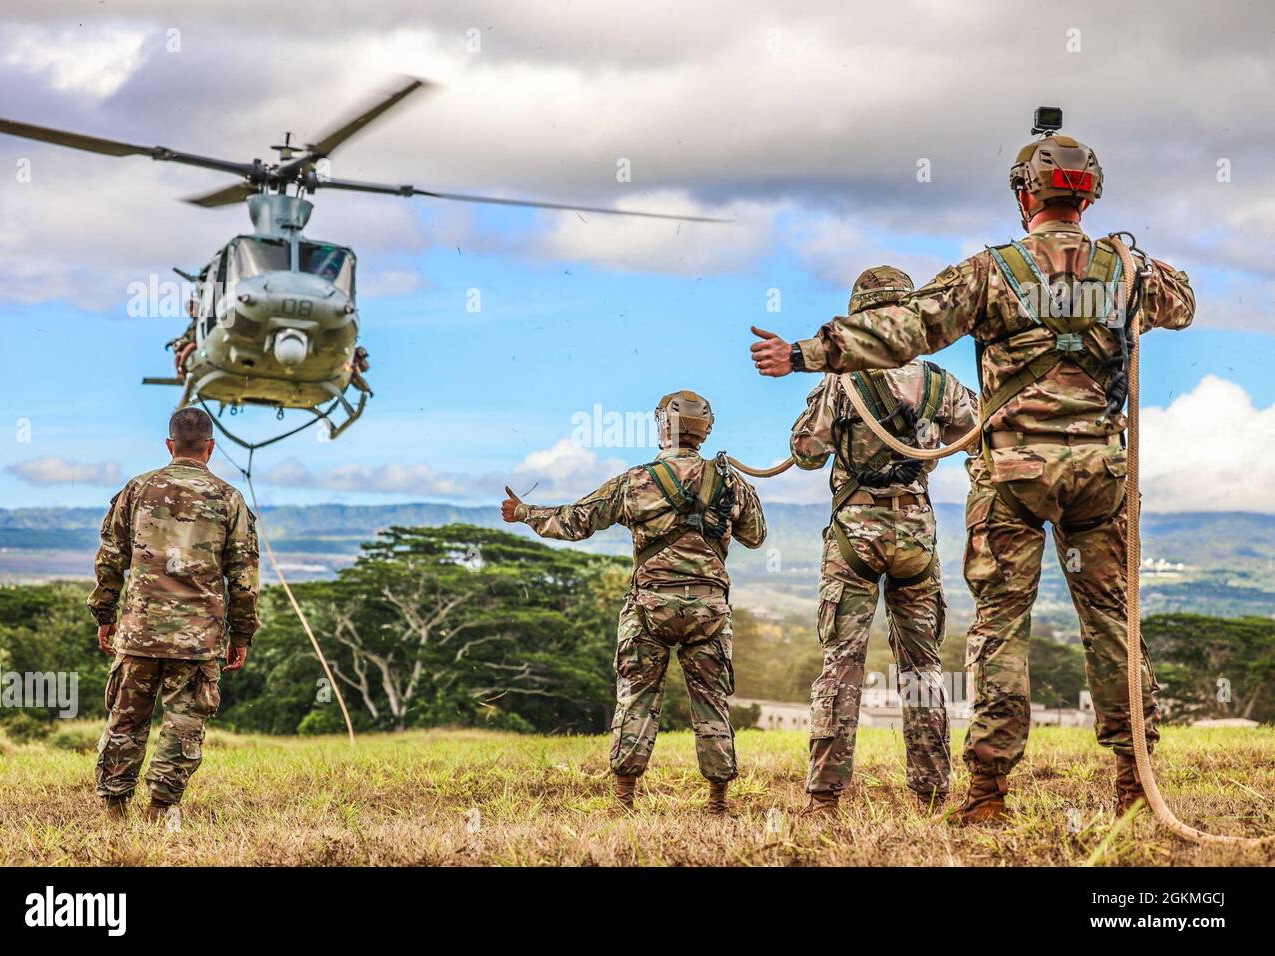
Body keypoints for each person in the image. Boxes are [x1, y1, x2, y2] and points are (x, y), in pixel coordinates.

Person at [750, 129, 1194, 823]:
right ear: (1091, 193)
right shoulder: (1131, 272)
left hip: (1012, 474)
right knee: (1112, 624)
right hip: (1102, 472)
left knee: (1000, 626)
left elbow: (907, 328)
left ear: (1024, 196)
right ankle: (1135, 783)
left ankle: (987, 793)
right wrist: (1128, 266)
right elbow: (1184, 305)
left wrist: (810, 353)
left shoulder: (989, 273)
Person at [502, 391, 766, 813]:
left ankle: (624, 799)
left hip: (649, 609)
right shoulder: (730, 480)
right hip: (709, 612)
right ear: (707, 429)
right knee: (712, 703)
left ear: (662, 427)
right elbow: (756, 536)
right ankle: (717, 803)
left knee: (637, 699)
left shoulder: (635, 481)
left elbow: (575, 522)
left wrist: (523, 512)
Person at [789, 266, 978, 814]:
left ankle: (825, 796)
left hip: (855, 531)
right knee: (922, 669)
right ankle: (933, 790)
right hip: (916, 533)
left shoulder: (841, 379)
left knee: (842, 663)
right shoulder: (942, 383)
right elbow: (976, 435)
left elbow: (805, 450)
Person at [90, 406, 259, 821]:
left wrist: (105, 613)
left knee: (126, 719)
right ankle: (159, 807)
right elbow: (243, 576)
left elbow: (111, 558)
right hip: (198, 639)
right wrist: (242, 636)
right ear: (210, 448)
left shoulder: (137, 489)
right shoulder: (228, 498)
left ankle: (115, 810)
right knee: (184, 722)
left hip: (140, 632)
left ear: (169, 445)